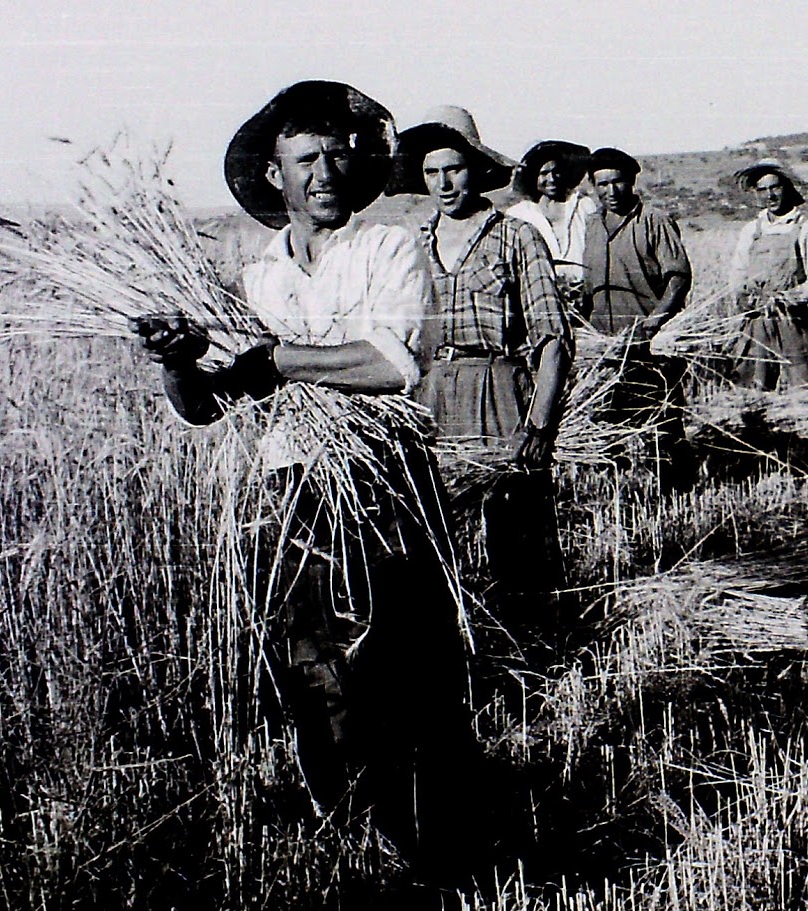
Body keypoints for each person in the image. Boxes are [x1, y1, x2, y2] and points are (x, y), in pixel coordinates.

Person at [135, 81, 473, 858]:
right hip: (294, 491)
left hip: (386, 483)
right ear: (274, 175)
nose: (325, 173)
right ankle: (351, 832)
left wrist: (277, 360)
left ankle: (436, 842)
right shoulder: (256, 281)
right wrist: (177, 362)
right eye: (306, 160)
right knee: (313, 668)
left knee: (410, 664)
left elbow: (391, 363)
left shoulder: (388, 249)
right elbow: (206, 406)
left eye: (337, 156)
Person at [390, 106, 572, 609]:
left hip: (500, 394)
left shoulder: (516, 236)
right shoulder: (413, 245)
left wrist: (540, 426)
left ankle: (534, 637)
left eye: (454, 169)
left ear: (477, 169)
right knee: (431, 537)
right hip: (429, 399)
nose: (444, 183)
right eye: (432, 172)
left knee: (516, 531)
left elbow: (553, 338)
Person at [581, 146, 695, 491]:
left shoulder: (654, 220)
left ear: (631, 182)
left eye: (617, 182)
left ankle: (677, 489)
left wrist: (656, 321)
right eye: (602, 184)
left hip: (649, 341)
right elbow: (587, 284)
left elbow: (678, 277)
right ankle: (621, 492)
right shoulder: (592, 225)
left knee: (662, 418)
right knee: (608, 419)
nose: (611, 191)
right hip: (605, 343)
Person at [727, 160, 808, 390]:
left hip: (791, 317)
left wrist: (787, 298)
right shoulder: (751, 230)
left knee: (806, 386)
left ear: (787, 188)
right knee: (750, 387)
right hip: (756, 318)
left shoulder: (806, 228)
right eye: (762, 190)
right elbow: (738, 274)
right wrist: (743, 299)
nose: (770, 195)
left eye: (775, 187)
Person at [505, 139, 597, 303]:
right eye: (544, 174)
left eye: (556, 171)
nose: (552, 178)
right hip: (540, 297)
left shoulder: (583, 205)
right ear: (533, 176)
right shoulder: (519, 214)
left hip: (585, 295)